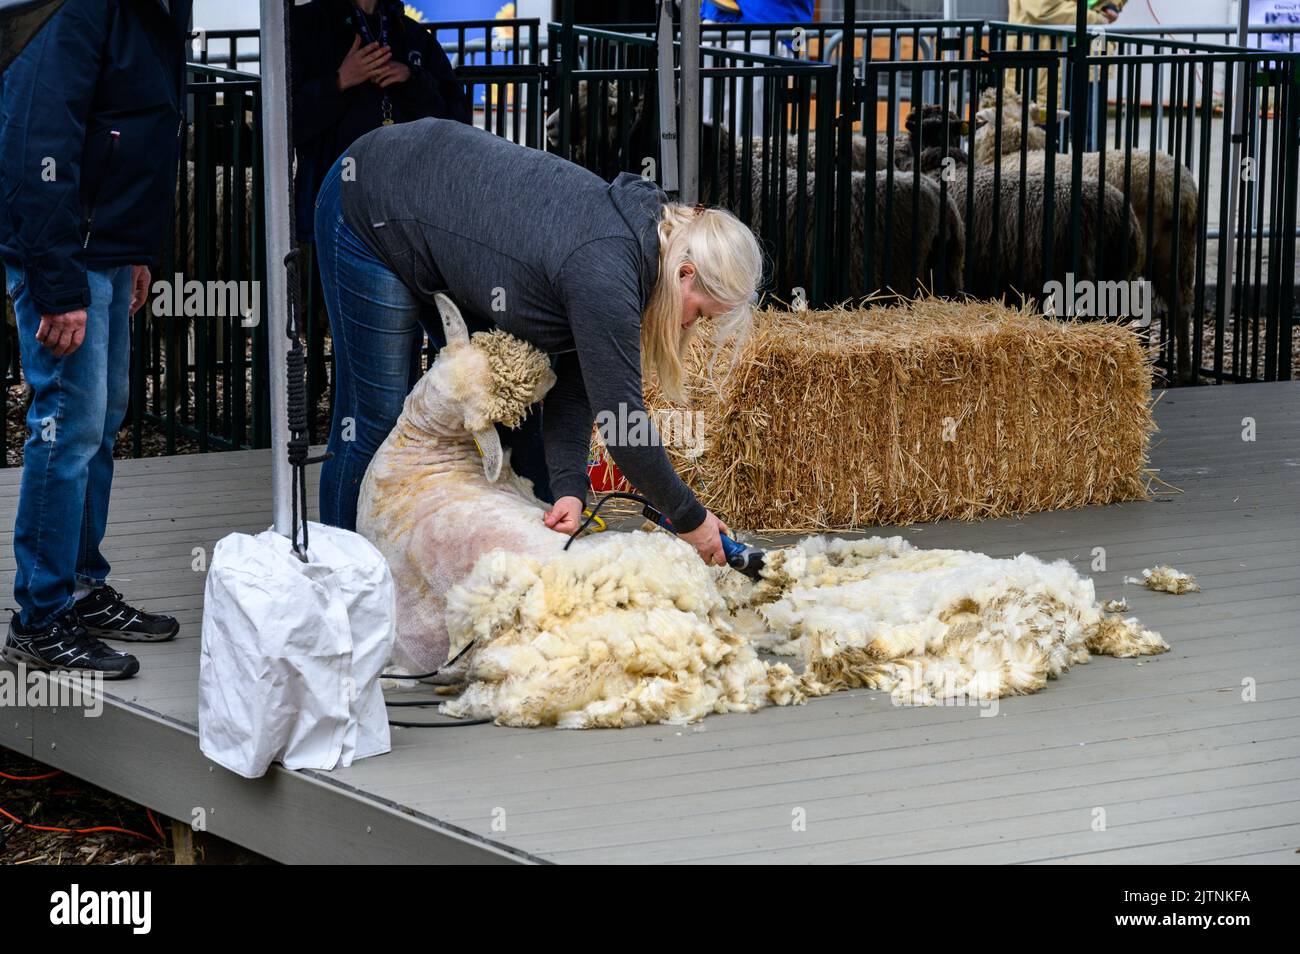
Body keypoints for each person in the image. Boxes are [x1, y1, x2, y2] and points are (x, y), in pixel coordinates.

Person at [316, 117, 762, 566]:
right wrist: (691, 519)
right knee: (372, 419)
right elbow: (625, 428)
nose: (690, 326)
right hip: (375, 193)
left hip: (438, 220)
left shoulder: (639, 249)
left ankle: (460, 575)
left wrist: (569, 489)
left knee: (514, 422)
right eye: (700, 313)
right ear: (686, 275)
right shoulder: (608, 272)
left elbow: (573, 379)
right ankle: (340, 584)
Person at [0, 0, 193, 679]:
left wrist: (136, 250)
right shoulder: (74, 10)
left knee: (100, 422)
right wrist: (57, 286)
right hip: (68, 258)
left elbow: (134, 129)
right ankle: (41, 617)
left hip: (106, 250)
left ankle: (80, 589)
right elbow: (36, 145)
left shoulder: (144, 11)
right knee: (68, 426)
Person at [290, 0, 471, 245]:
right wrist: (339, 82)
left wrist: (411, 80)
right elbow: (282, 123)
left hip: (407, 211)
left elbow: (456, 120)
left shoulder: (413, 35)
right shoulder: (305, 27)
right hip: (336, 210)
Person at [1005, 0, 1125, 151]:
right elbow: (1043, 8)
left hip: (1092, 45)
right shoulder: (1094, 19)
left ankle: (1086, 172)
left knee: (1090, 134)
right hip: (1048, 56)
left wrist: (1111, 4)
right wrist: (1096, 18)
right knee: (1044, 138)